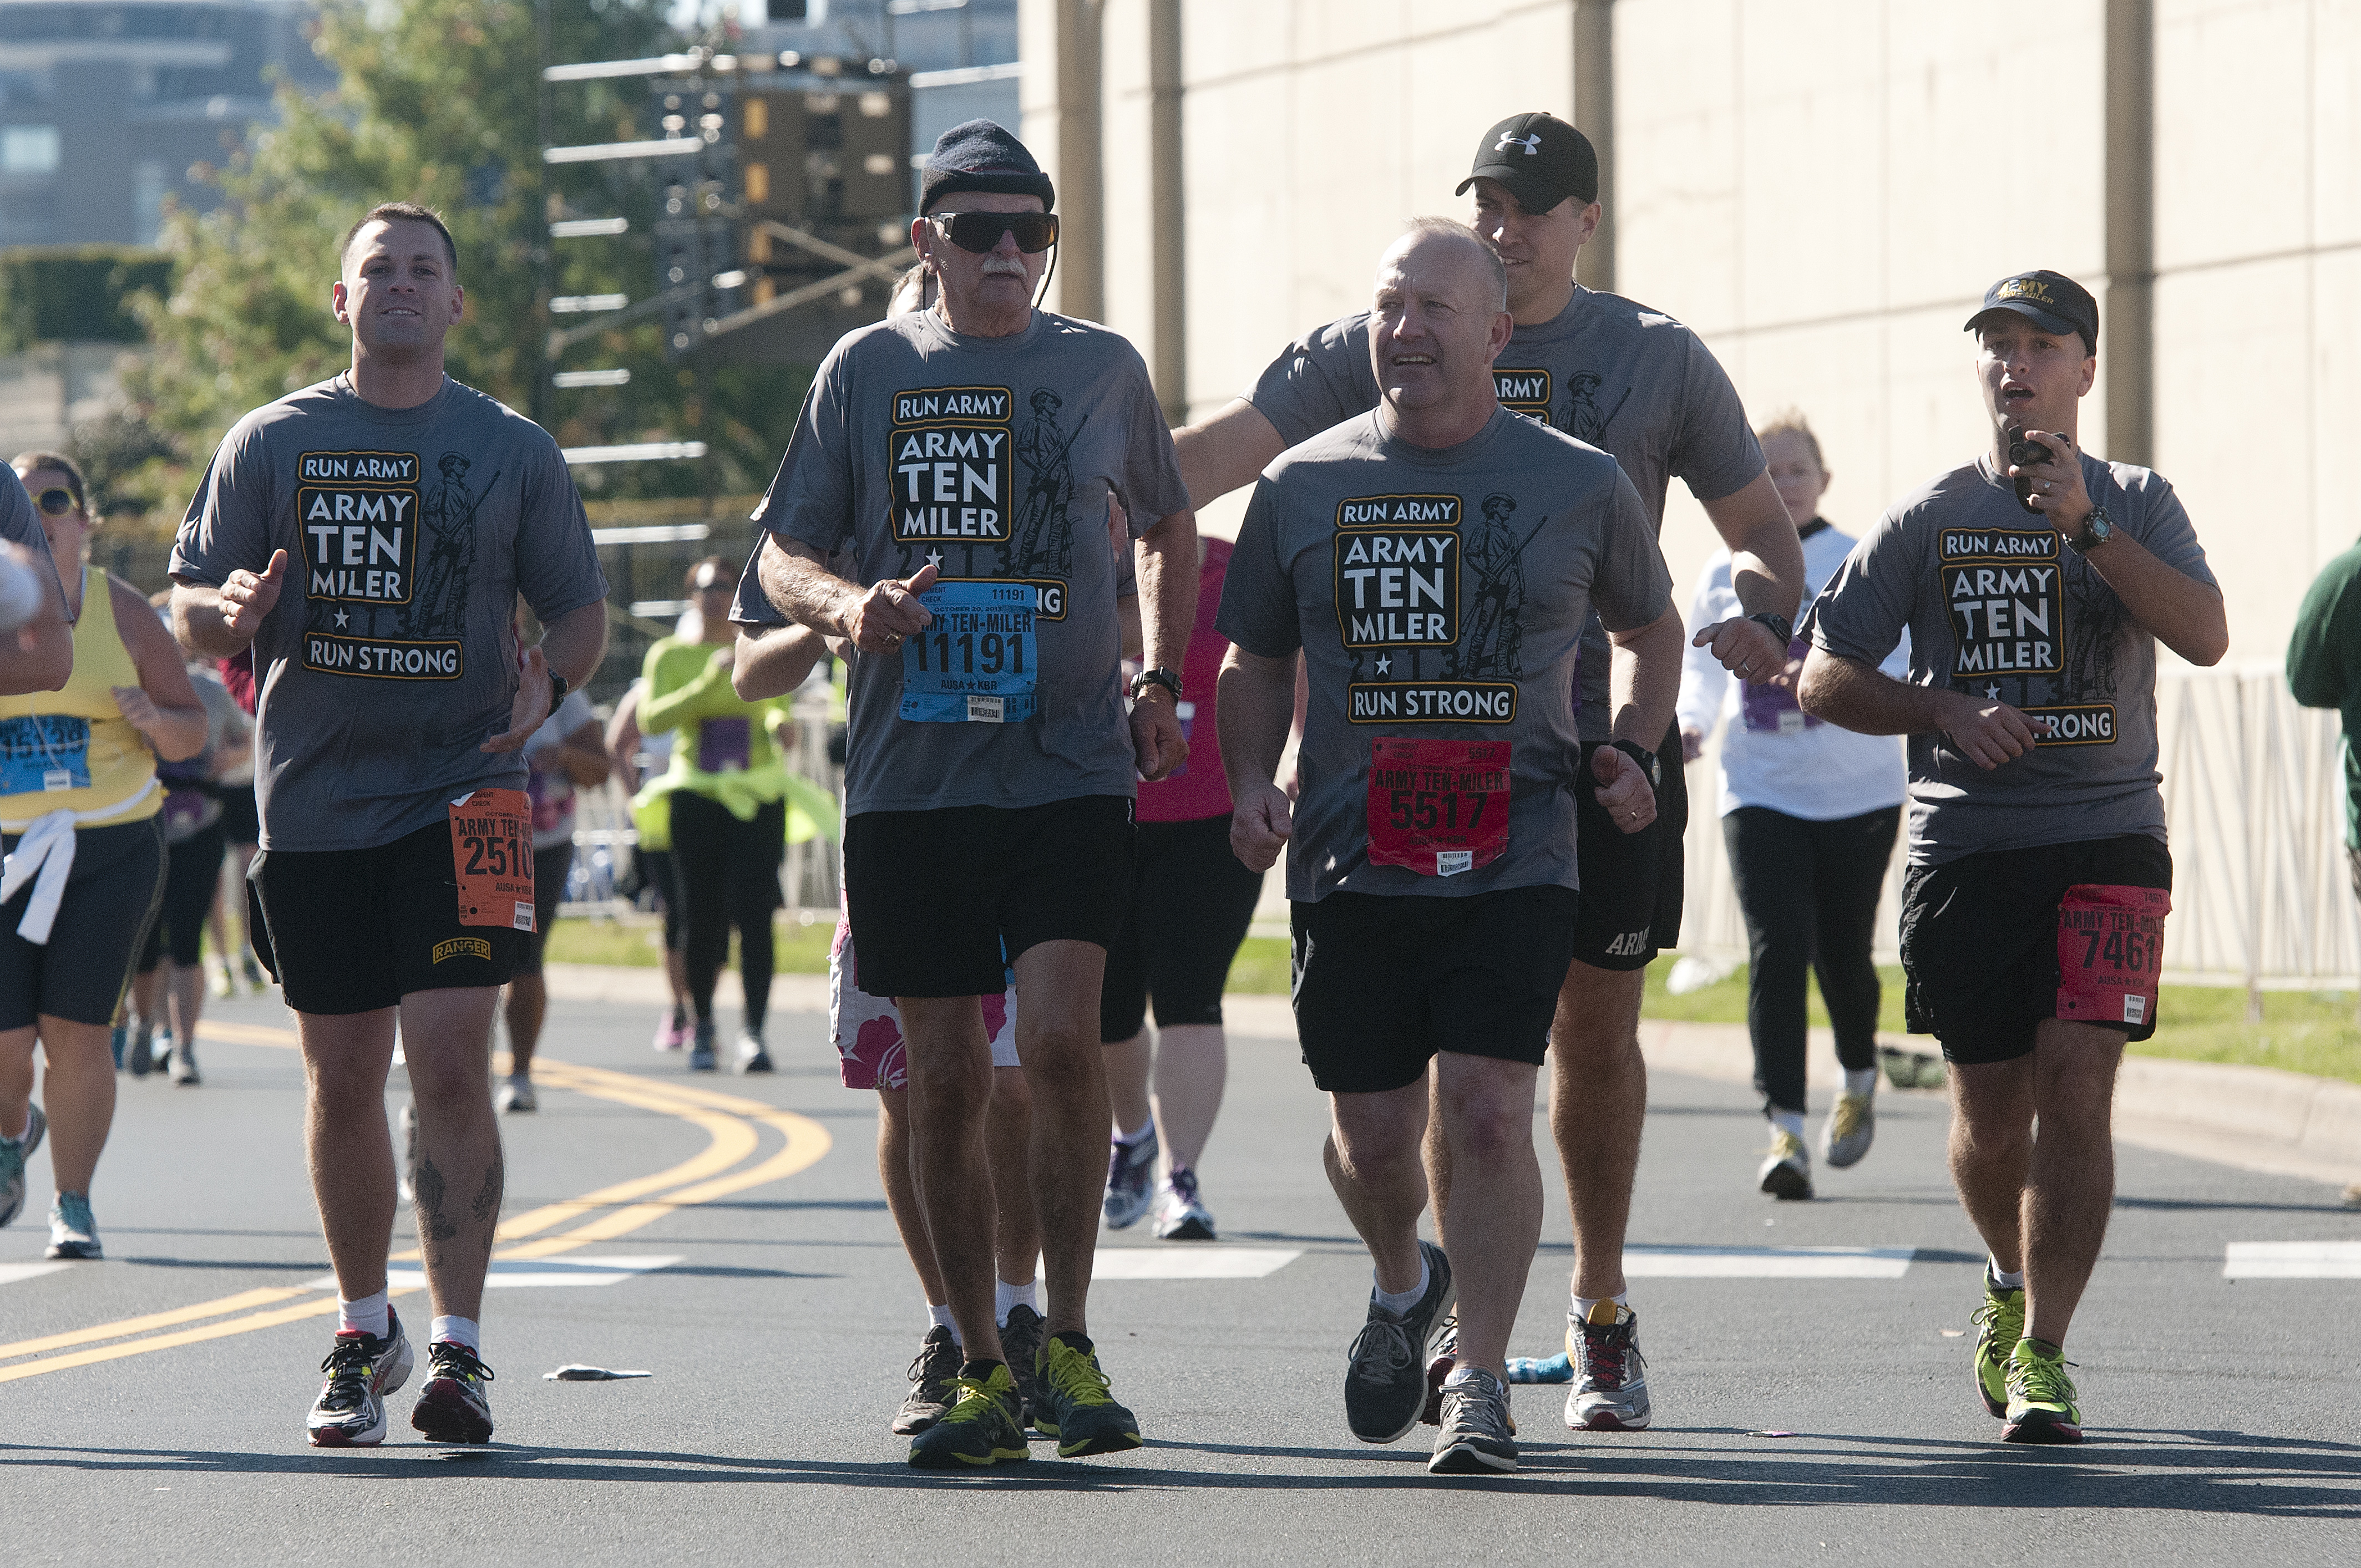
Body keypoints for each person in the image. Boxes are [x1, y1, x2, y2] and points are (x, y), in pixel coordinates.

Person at [1171, 111, 1804, 1433]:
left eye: (1529, 207)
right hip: (1384, 770)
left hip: (1590, 755)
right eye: (1486, 204)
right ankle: (1433, 1292)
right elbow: (1216, 458)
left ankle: (1595, 1311)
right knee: (1398, 1109)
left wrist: (1752, 613)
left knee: (1572, 1048)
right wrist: (1096, 478)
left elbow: (1759, 535)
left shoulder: (1652, 359)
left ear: (1585, 221)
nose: (1504, 228)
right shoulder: (1395, 335)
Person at [736, 118, 1195, 1469]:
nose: (1009, 255)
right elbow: (780, 554)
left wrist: (1160, 667)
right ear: (925, 239)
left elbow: (1167, 518)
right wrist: (846, 602)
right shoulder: (865, 367)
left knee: (1059, 1048)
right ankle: (981, 1355)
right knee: (940, 1075)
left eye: (1032, 232)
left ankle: (1070, 1333)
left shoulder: (1104, 366)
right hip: (911, 780)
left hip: (1066, 766)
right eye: (980, 230)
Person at [1219, 219, 1681, 1475]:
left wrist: (1631, 748)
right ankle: (1400, 1272)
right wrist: (1250, 781)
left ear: (1497, 331)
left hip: (1521, 842)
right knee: (1373, 1137)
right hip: (1350, 856)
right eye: (1387, 305)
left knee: (1487, 1109)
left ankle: (1480, 1374)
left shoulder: (1577, 479)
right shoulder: (1303, 484)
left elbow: (1653, 624)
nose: (1406, 328)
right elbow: (1254, 659)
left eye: (1433, 305)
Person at [169, 200, 609, 1447]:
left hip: (466, 794)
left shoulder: (513, 450)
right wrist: (225, 611)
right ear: (342, 299)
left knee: (453, 1061)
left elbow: (579, 609)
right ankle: (366, 1327)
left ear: (456, 302)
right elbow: (190, 597)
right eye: (380, 270)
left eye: (426, 269)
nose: (403, 285)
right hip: (313, 806)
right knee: (343, 1073)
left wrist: (553, 683)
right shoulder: (274, 440)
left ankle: (461, 1353)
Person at [1799, 269, 2227, 1444]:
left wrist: (2088, 529)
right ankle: (2002, 1276)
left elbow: (2202, 635)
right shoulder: (1930, 517)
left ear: (2084, 369)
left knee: (2079, 1080)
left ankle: (2043, 1350)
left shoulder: (2139, 500)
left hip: (2108, 836)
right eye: (1996, 344)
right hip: (1968, 845)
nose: (2015, 363)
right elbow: (1823, 675)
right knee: (1991, 1115)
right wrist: (1939, 711)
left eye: (2041, 344)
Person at [1676, 415, 1907, 1199]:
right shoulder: (1725, 569)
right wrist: (1691, 723)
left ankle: (1858, 1074)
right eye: (1766, 470)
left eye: (1797, 468)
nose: (1783, 482)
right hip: (1759, 786)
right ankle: (1784, 1126)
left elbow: (1899, 658)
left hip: (1857, 788)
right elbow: (1699, 667)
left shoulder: (1856, 561)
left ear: (1824, 478)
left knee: (1840, 949)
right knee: (1777, 946)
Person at [0, 450, 207, 1256]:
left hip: (110, 841)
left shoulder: (121, 612)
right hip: (8, 848)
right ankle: (12, 1136)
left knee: (77, 1030)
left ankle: (73, 1203)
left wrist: (155, 721)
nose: (39, 513)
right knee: (7, 1041)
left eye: (56, 499)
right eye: (22, 501)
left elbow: (193, 727)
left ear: (84, 521)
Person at [1098, 530, 1262, 1242]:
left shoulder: (1236, 571)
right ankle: (1131, 1134)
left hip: (1210, 815)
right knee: (1107, 1007)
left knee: (1191, 997)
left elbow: (1288, 668)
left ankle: (1179, 1177)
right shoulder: (1082, 568)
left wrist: (1292, 768)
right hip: (1104, 810)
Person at [635, 558, 791, 1072]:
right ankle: (703, 1026)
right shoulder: (669, 654)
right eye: (705, 588)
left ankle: (755, 1032)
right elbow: (650, 717)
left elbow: (774, 703)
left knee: (756, 917)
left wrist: (778, 722)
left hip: (756, 798)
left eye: (725, 587)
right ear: (691, 595)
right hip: (697, 797)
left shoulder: (757, 644)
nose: (715, 597)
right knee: (700, 917)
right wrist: (705, 684)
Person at [122, 594, 252, 1085]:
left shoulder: (210, 692)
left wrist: (225, 759)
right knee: (144, 945)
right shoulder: (129, 693)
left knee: (187, 942)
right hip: (142, 827)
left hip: (200, 824)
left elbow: (243, 739)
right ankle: (144, 1024)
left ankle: (184, 1048)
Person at [501, 600, 609, 1112]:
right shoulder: (441, 669)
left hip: (538, 843)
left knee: (524, 958)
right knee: (461, 965)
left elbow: (600, 768)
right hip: (455, 834)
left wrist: (561, 755)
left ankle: (519, 1072)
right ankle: (453, 1073)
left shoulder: (550, 677)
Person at [604, 678, 696, 1048]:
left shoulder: (713, 680)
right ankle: (679, 1007)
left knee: (712, 917)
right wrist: (634, 799)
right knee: (674, 913)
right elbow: (616, 745)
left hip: (713, 811)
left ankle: (700, 1007)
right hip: (661, 818)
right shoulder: (648, 690)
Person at [204, 646, 268, 998]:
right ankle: (220, 960)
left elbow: (248, 742)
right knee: (213, 876)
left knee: (247, 871)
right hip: (211, 788)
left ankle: (246, 951)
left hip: (248, 786)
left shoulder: (259, 672)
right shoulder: (209, 684)